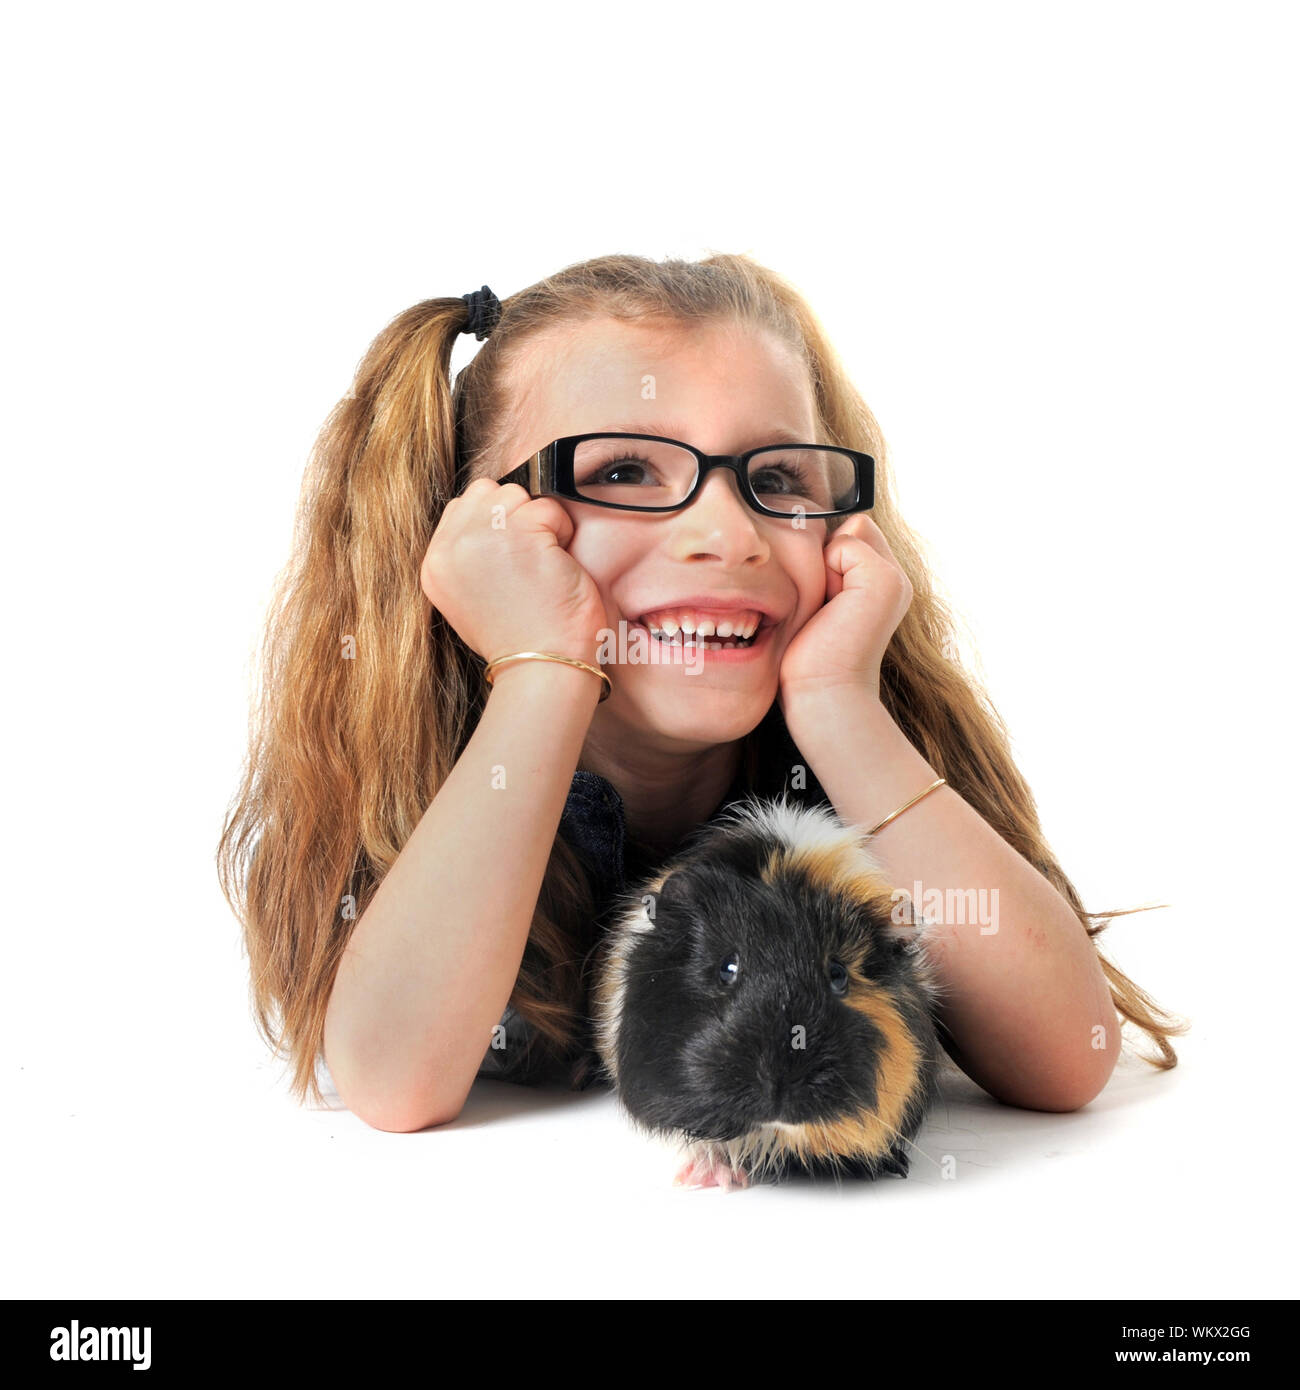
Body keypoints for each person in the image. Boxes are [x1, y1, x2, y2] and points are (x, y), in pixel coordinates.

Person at [216, 252, 1185, 1134]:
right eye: (625, 470)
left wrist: (841, 705)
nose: (729, 533)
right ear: (473, 529)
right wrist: (544, 671)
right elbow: (395, 1083)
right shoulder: (407, 763)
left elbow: (1068, 1062)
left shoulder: (855, 738)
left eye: (775, 475)